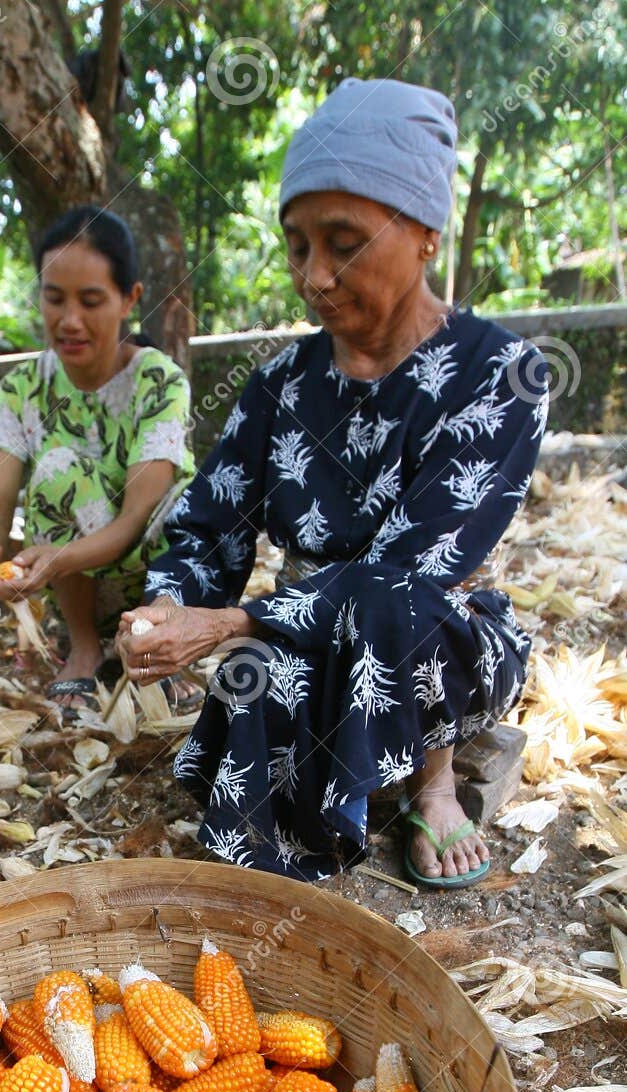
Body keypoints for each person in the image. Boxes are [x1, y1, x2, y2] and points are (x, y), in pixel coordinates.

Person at [118, 77, 550, 889]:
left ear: (424, 231)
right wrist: (169, 606)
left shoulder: (500, 373)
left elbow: (412, 571)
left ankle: (433, 781)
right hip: (300, 624)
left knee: (387, 614)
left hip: (437, 634)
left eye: (343, 242)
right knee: (265, 681)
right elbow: (209, 522)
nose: (314, 276)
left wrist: (229, 621)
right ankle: (267, 885)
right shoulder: (280, 384)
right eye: (296, 246)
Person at [0, 204, 195, 712]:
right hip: (74, 586)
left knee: (185, 500)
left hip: (156, 577)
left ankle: (165, 643)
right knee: (57, 470)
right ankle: (85, 646)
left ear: (129, 299)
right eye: (53, 298)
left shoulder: (158, 382)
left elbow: (137, 521)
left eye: (90, 301)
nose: (70, 321)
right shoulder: (21, 390)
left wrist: (57, 558)